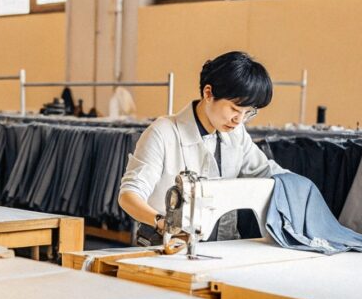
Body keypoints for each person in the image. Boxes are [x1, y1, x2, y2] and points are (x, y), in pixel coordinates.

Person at [118, 51, 286, 244]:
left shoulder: (237, 134)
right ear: (208, 93)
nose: (239, 119)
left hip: (223, 246)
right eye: (234, 109)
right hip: (166, 244)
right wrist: (164, 223)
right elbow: (129, 195)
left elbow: (266, 172)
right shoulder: (162, 132)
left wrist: (303, 189)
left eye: (248, 113)